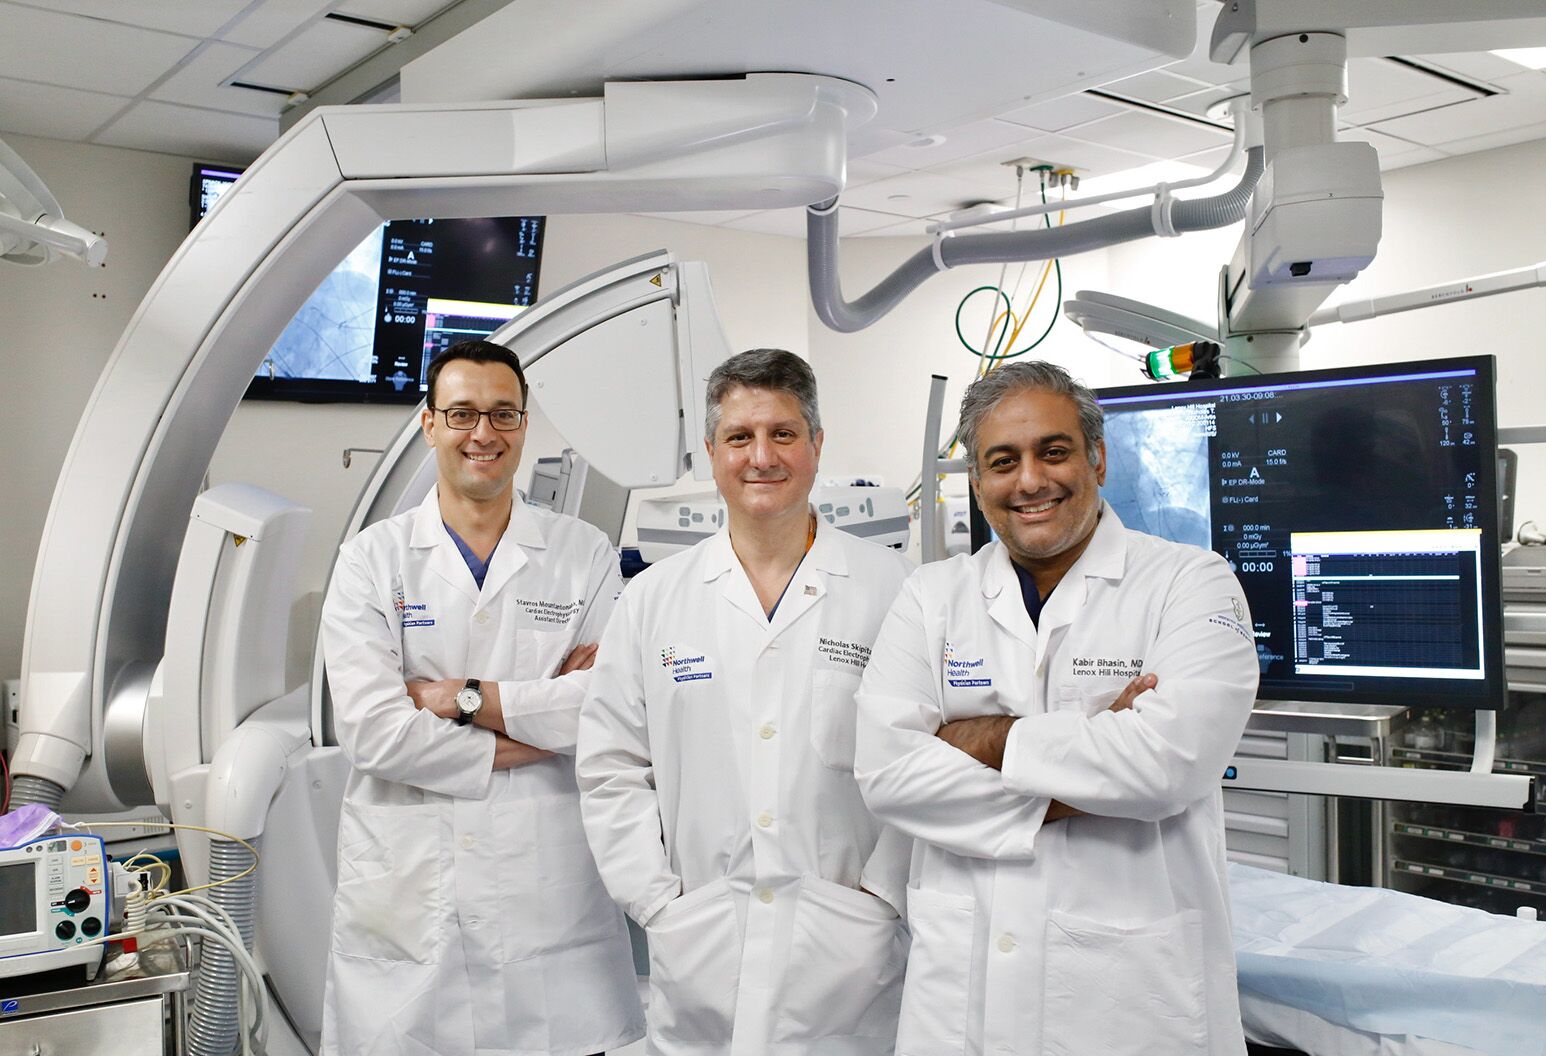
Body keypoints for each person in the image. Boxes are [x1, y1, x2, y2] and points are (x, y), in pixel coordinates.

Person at [854, 360, 1259, 1056]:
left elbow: (1167, 768)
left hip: (1129, 1003)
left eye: (1054, 451)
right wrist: (1101, 747)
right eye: (1002, 461)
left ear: (1097, 458)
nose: (1030, 480)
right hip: (960, 1000)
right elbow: (887, 775)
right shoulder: (931, 595)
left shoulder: (1192, 583)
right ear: (977, 482)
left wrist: (975, 740)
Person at [577, 348, 914, 1056]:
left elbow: (926, 763)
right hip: (701, 943)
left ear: (817, 445)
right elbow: (611, 767)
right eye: (740, 437)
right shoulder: (653, 600)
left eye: (783, 434)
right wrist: (658, 903)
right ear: (711, 453)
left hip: (851, 952)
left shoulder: (895, 591)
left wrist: (882, 900)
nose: (761, 456)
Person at [320, 340, 643, 1056]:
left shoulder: (582, 554)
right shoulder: (372, 561)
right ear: (430, 423)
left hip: (548, 890)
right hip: (411, 893)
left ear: (524, 425)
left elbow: (609, 709)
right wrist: (540, 725)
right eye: (462, 413)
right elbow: (375, 735)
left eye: (503, 414)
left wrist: (454, 698)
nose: (484, 434)